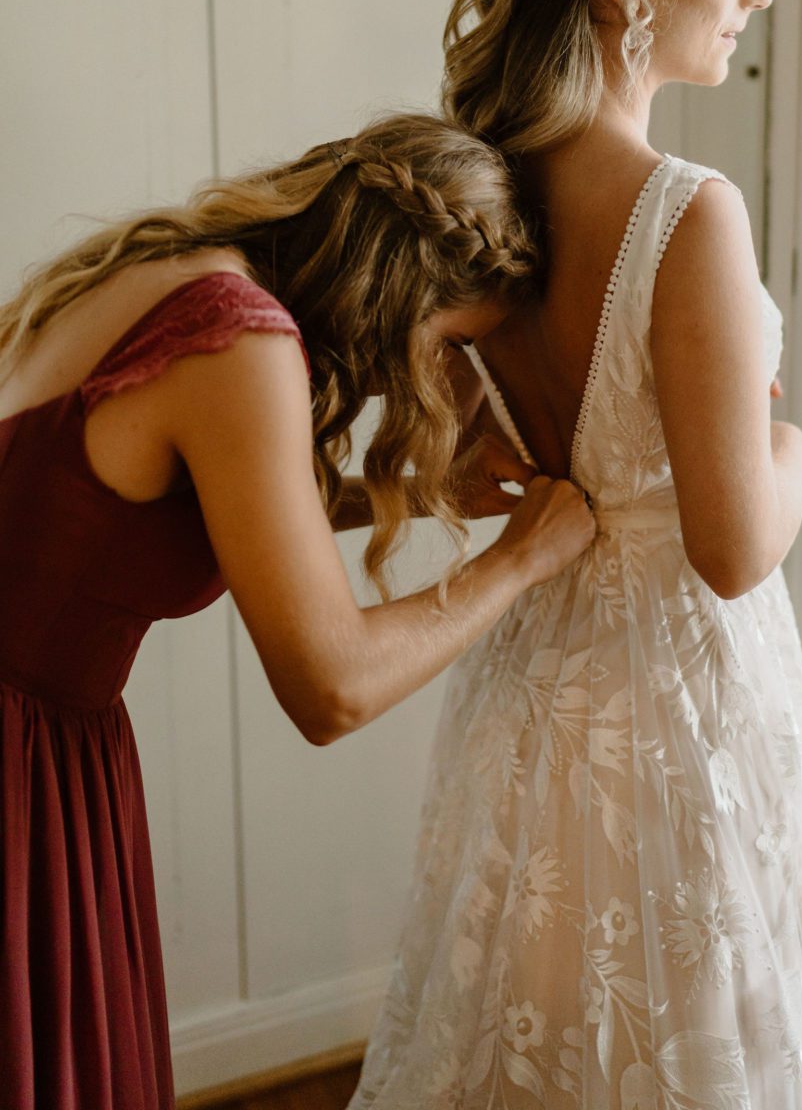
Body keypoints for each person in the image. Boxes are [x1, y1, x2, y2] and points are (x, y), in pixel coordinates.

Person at [351, 0, 802, 1108]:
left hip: (534, 685)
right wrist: (792, 445)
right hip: (678, 706)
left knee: (527, 1021)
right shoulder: (686, 212)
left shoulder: (481, 188)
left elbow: (480, 462)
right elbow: (731, 550)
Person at [0, 112, 594, 1110]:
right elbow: (332, 689)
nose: (446, 379)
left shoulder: (184, 272)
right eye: (452, 342)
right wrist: (519, 561)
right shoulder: (238, 341)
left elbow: (193, 505)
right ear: (402, 290)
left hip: (46, 741)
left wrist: (426, 494)